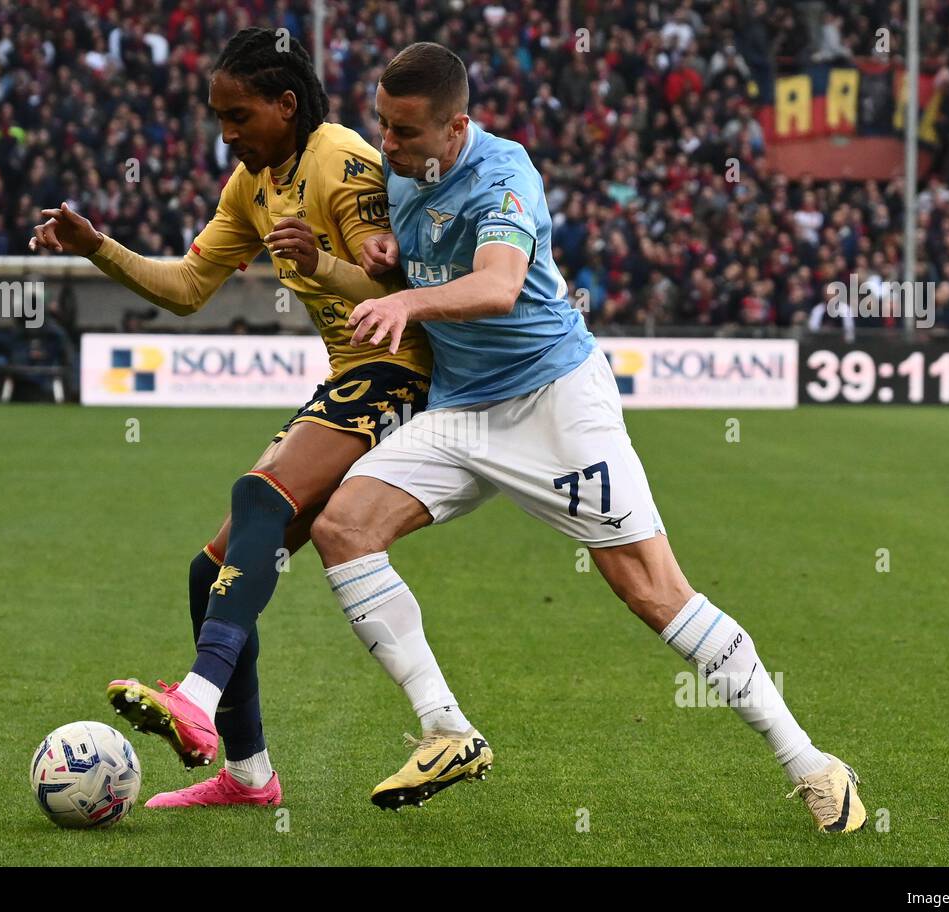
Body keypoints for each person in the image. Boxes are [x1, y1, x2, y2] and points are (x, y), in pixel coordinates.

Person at [303, 43, 865, 831]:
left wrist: (410, 307)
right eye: (381, 126)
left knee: (652, 592)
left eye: (402, 132)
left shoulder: (506, 175)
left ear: (457, 125)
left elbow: (499, 285)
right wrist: (383, 262)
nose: (385, 146)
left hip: (554, 404)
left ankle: (811, 763)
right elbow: (423, 265)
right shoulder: (402, 168)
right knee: (343, 528)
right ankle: (447, 729)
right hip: (462, 410)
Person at [30, 28, 442, 810]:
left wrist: (322, 263)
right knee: (209, 569)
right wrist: (98, 248)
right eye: (217, 117)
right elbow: (187, 286)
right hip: (355, 376)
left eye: (238, 116)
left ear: (286, 106)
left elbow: (397, 296)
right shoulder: (252, 185)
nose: (226, 133)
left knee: (261, 495)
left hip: (408, 369)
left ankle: (195, 694)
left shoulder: (342, 163)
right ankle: (249, 776)